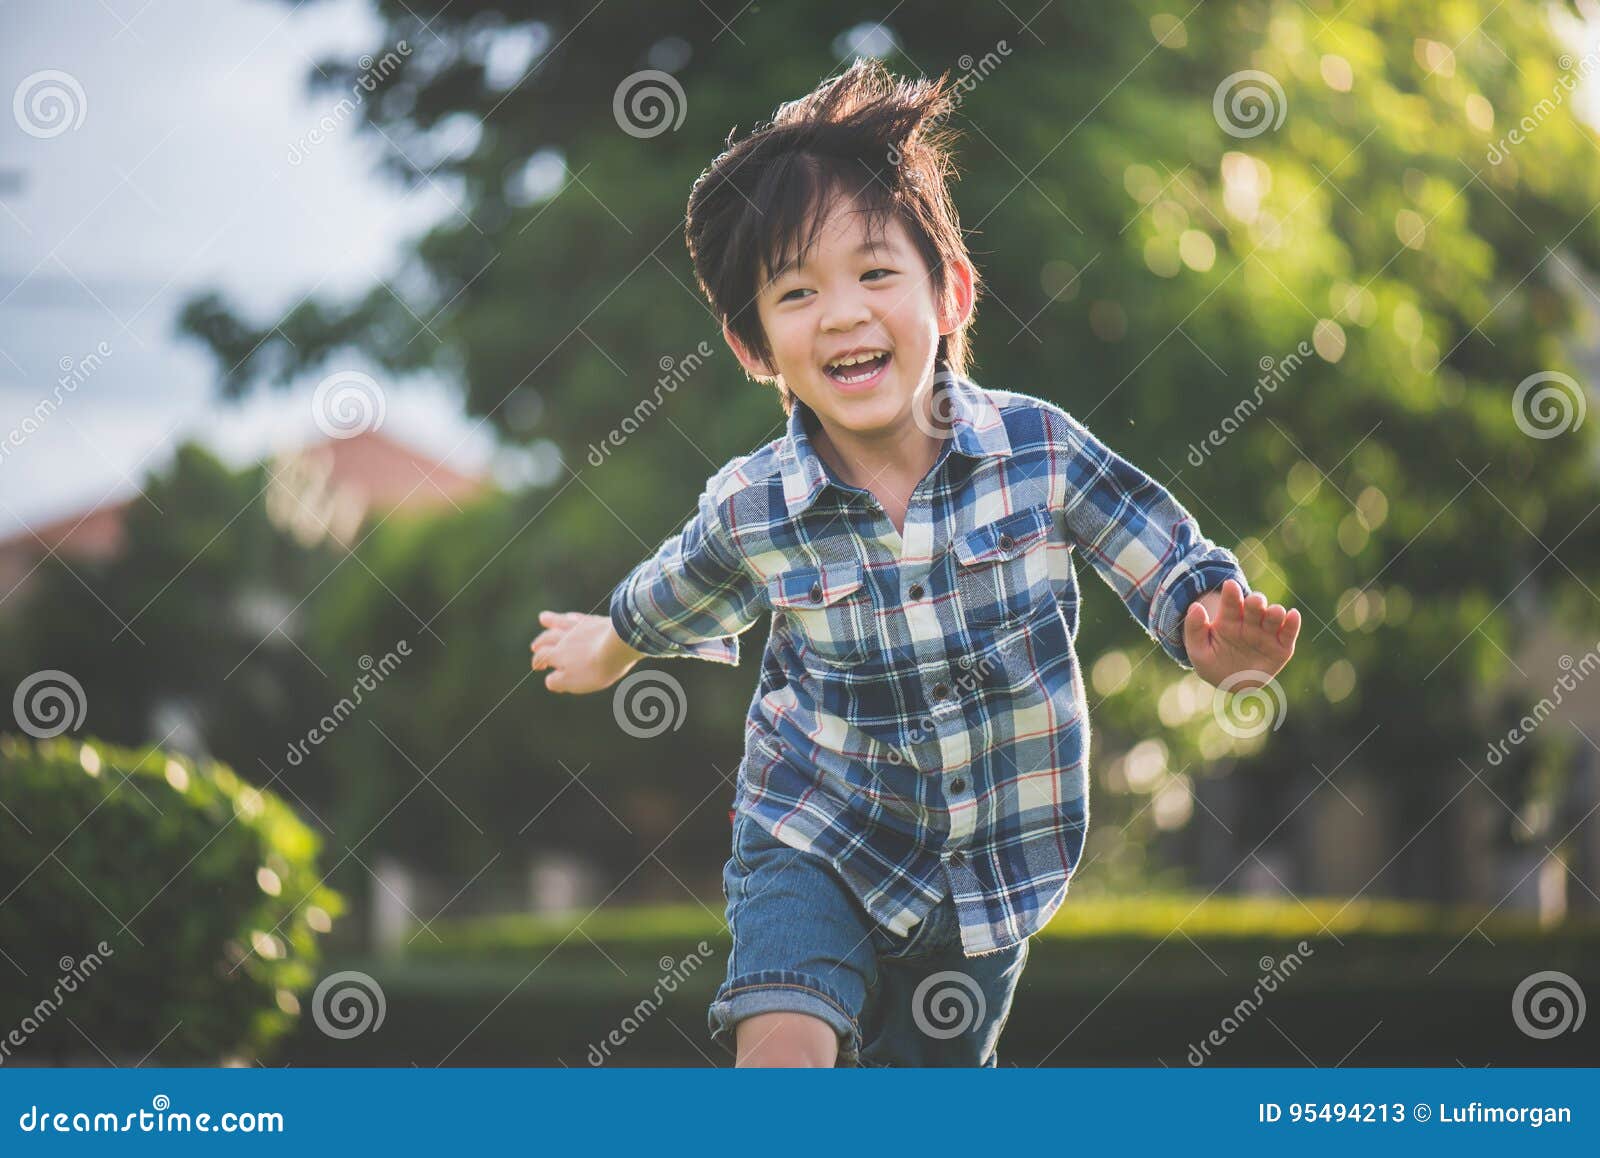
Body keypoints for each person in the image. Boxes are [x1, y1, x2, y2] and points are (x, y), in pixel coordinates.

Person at [530, 59, 1299, 1067]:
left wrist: (1210, 629)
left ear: (949, 293)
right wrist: (614, 642)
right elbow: (682, 585)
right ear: (753, 345)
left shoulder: (1038, 453)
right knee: (782, 1035)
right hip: (812, 832)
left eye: (875, 273)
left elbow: (1154, 547)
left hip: (992, 868)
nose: (843, 312)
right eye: (796, 291)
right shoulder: (755, 505)